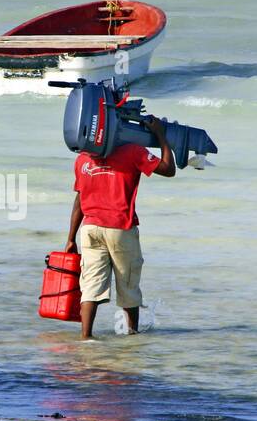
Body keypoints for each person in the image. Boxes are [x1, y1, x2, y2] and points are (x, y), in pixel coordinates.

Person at [65, 118, 175, 339]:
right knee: (128, 286)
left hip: (90, 229)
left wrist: (70, 239)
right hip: (120, 227)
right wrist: (162, 136)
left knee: (90, 286)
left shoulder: (83, 159)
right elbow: (168, 169)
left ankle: (86, 338)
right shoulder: (134, 152)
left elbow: (79, 200)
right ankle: (132, 336)